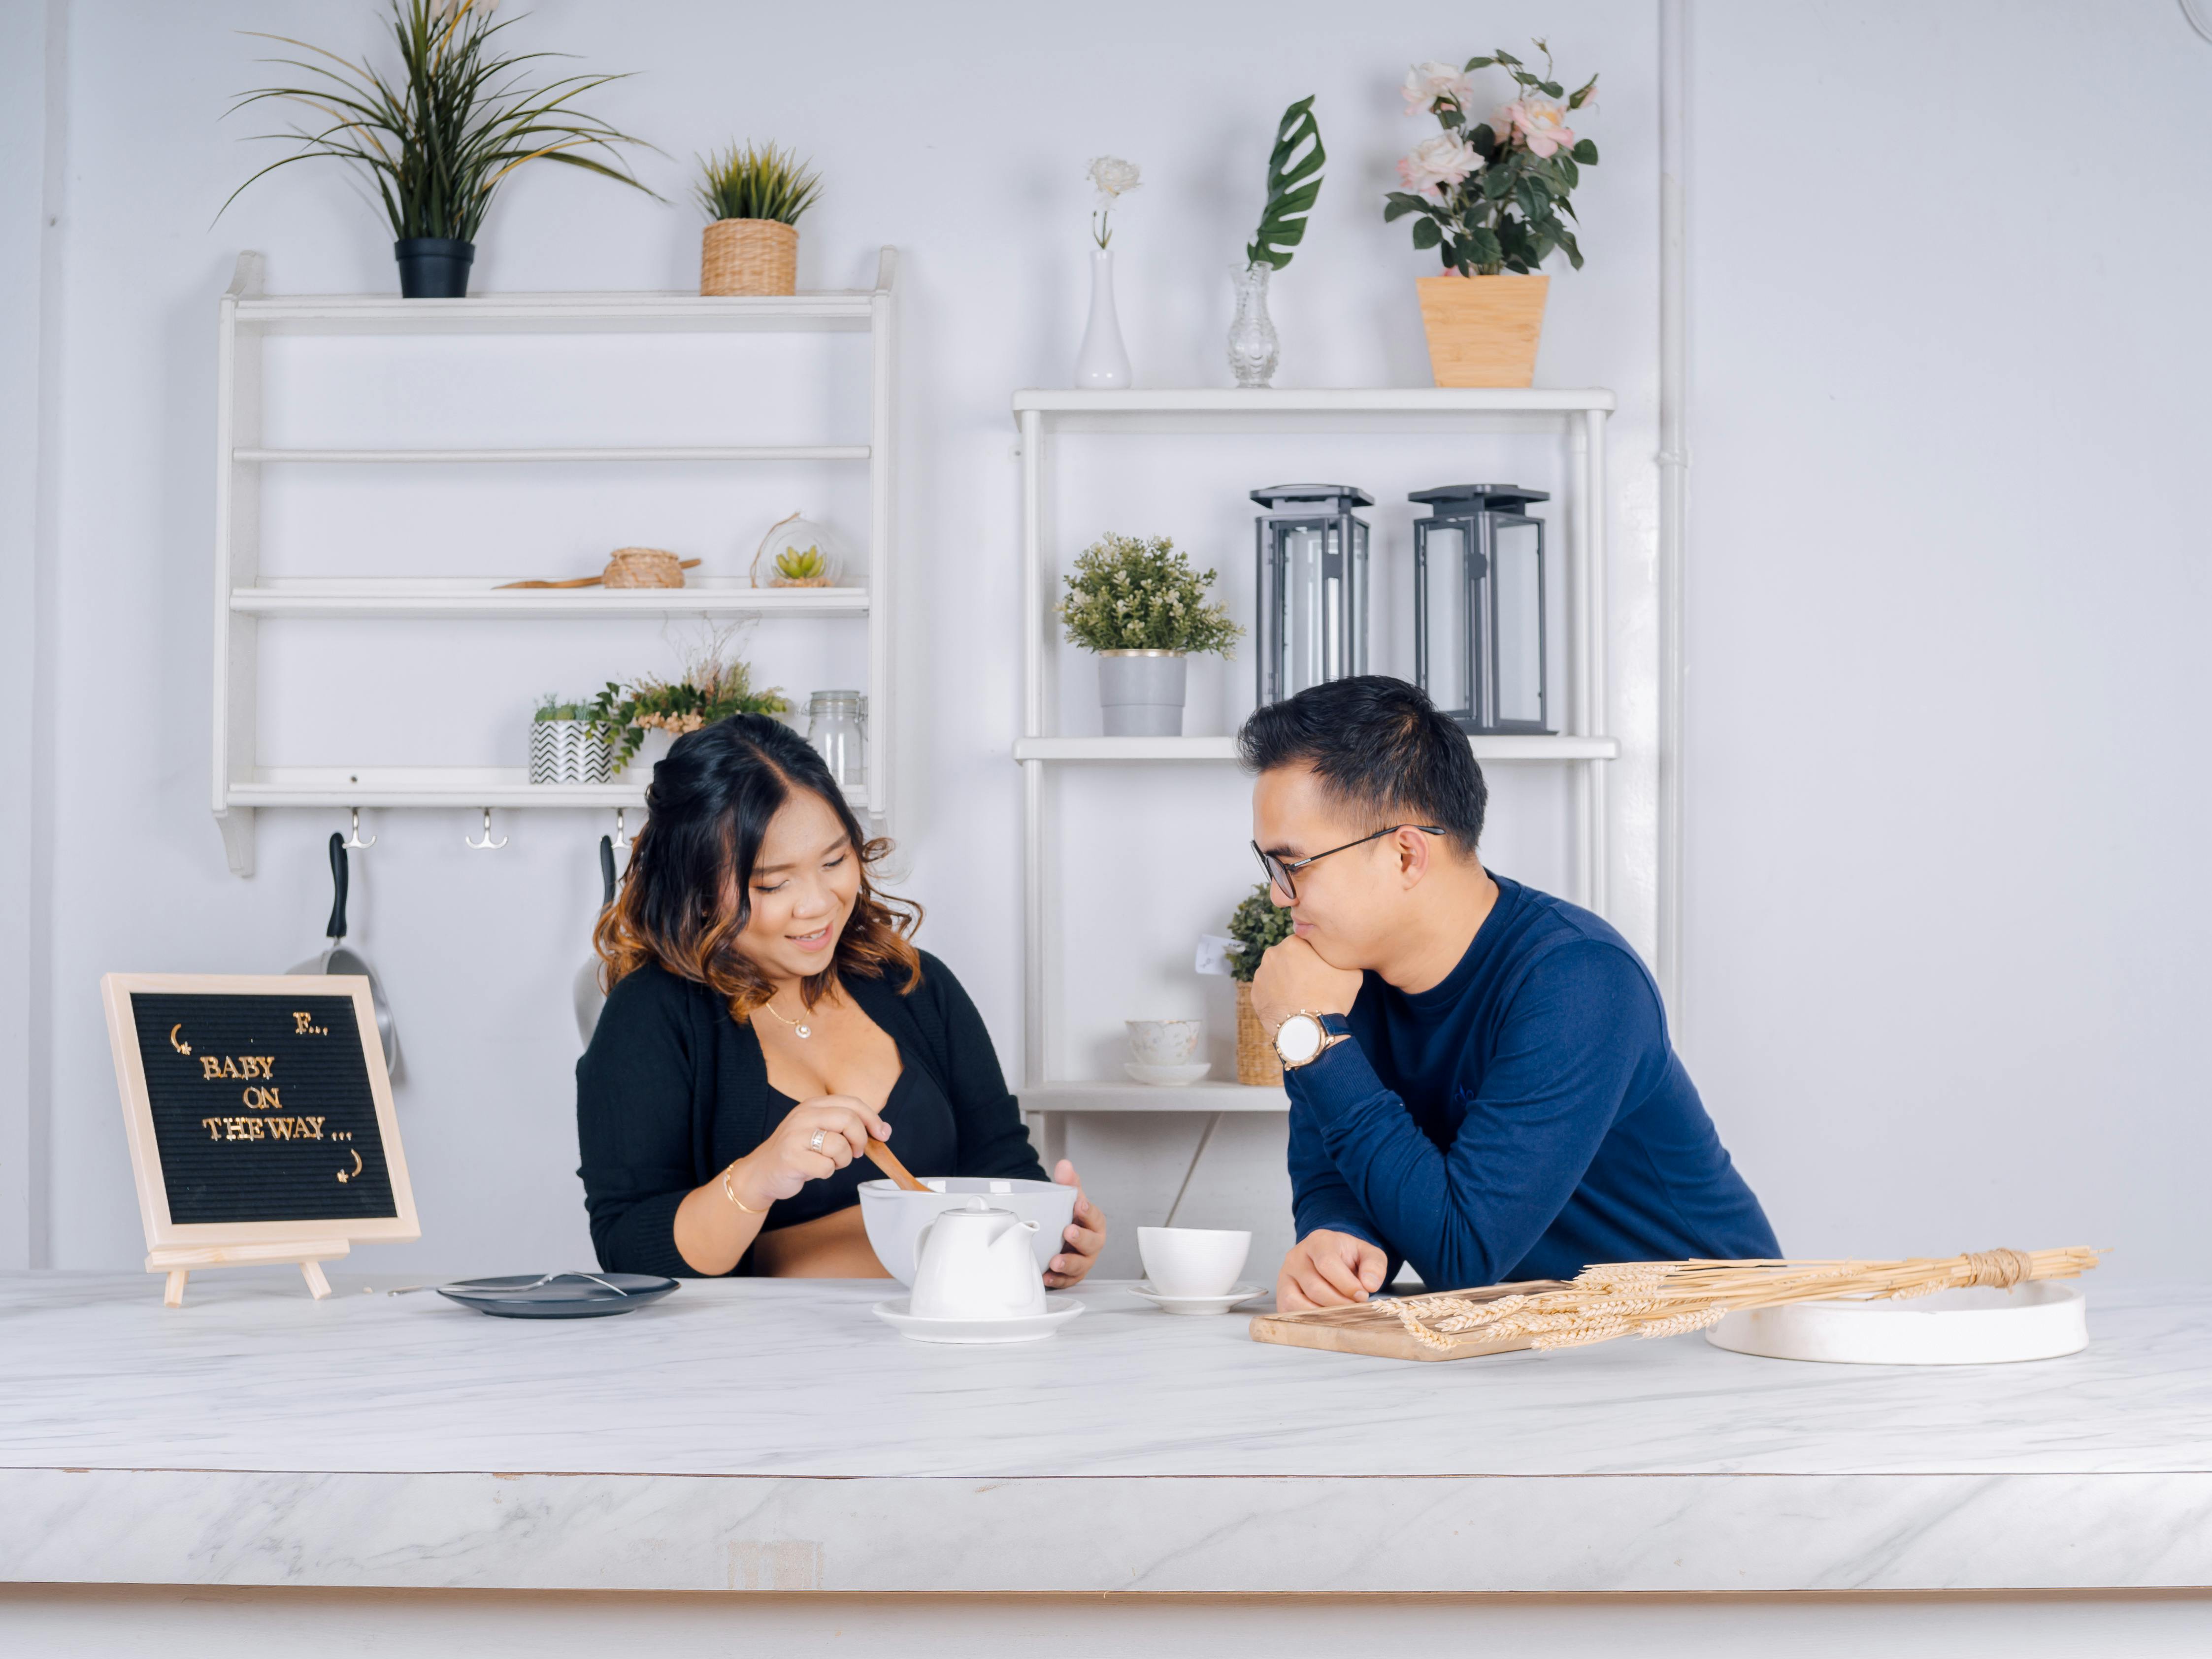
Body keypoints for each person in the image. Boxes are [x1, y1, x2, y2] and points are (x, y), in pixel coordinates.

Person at [1242, 675, 1776, 1310]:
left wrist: (1313, 1035)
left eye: (1294, 865)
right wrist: (1339, 1239)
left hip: (1708, 1345)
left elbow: (1462, 1253)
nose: (1278, 894)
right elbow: (1336, 1173)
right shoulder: (1334, 977)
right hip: (1533, 1351)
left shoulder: (1580, 980)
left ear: (1407, 855)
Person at [576, 714, 1106, 1283]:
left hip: (942, 1343)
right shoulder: (649, 1017)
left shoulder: (916, 986)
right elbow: (628, 1246)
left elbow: (1002, 1171)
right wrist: (757, 1178)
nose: (818, 903)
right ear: (699, 889)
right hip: (760, 1360)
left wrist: (1050, 1239)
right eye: (773, 884)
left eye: (834, 861)